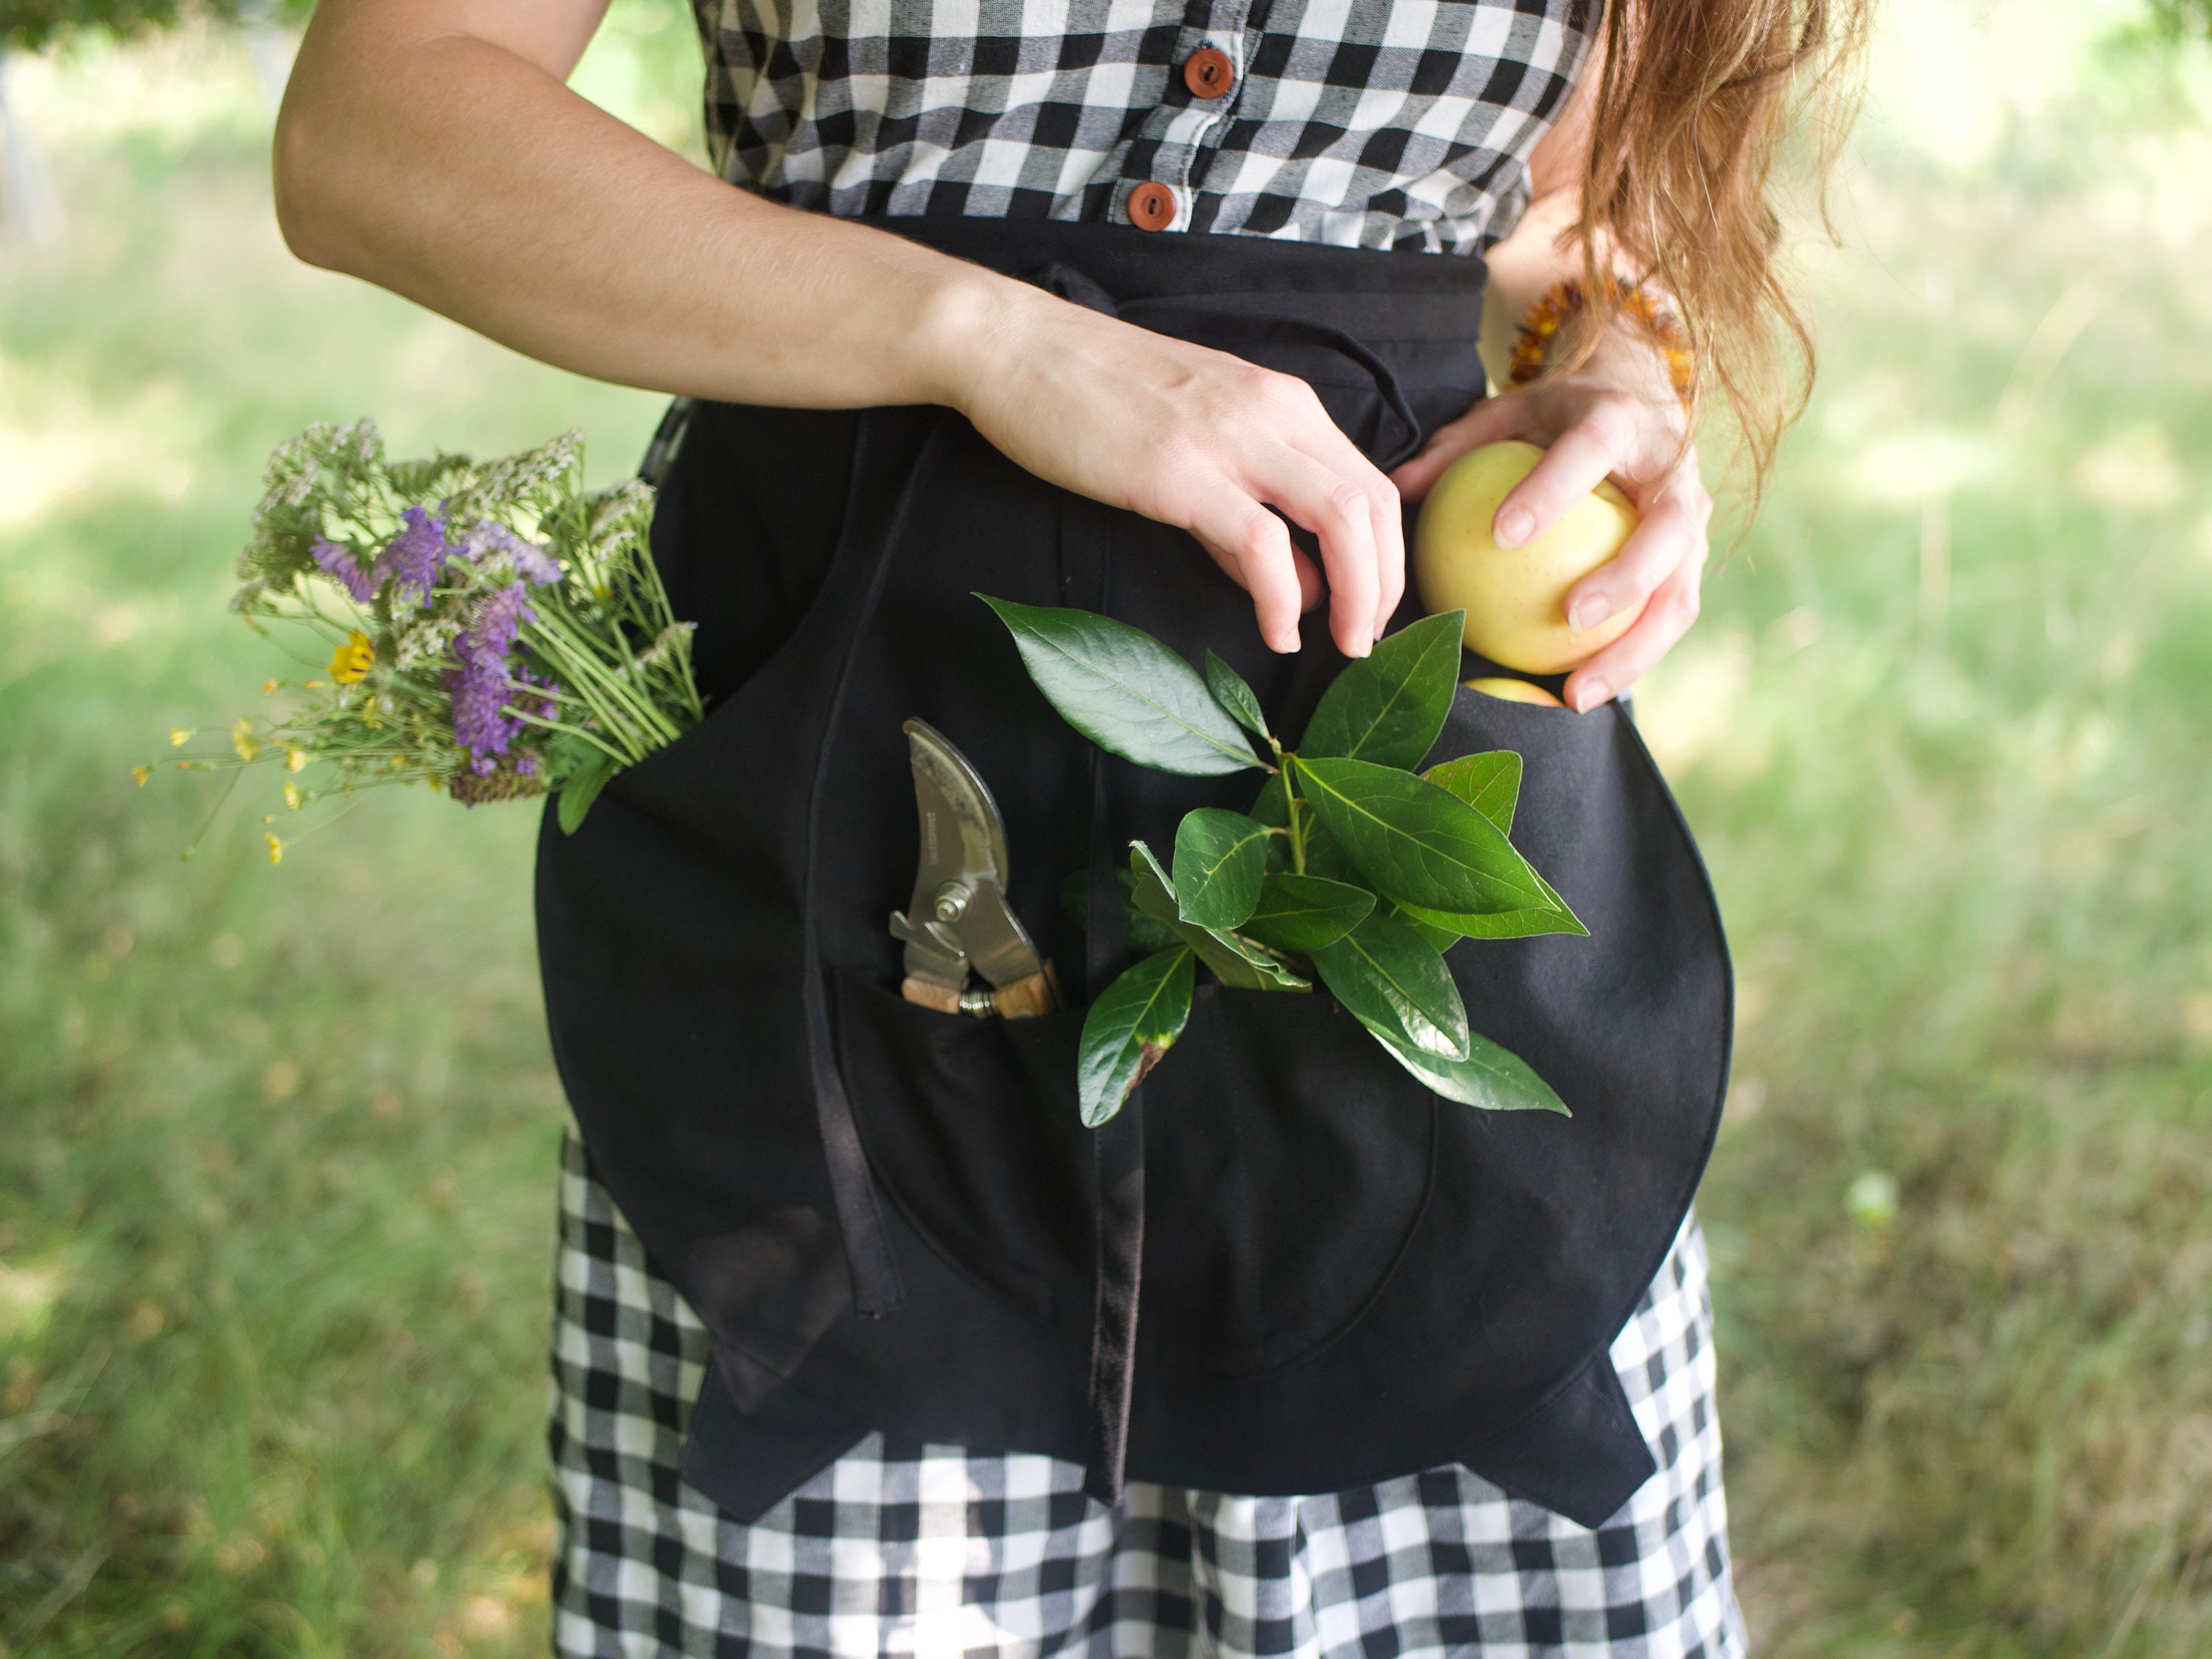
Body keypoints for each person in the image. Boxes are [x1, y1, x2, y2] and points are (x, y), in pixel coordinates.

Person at [274, 0, 1864, 1649]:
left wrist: (1615, 369)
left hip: (1379, 811)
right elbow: (372, 130)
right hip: (840, 779)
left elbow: (1559, 207)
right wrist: (996, 338)